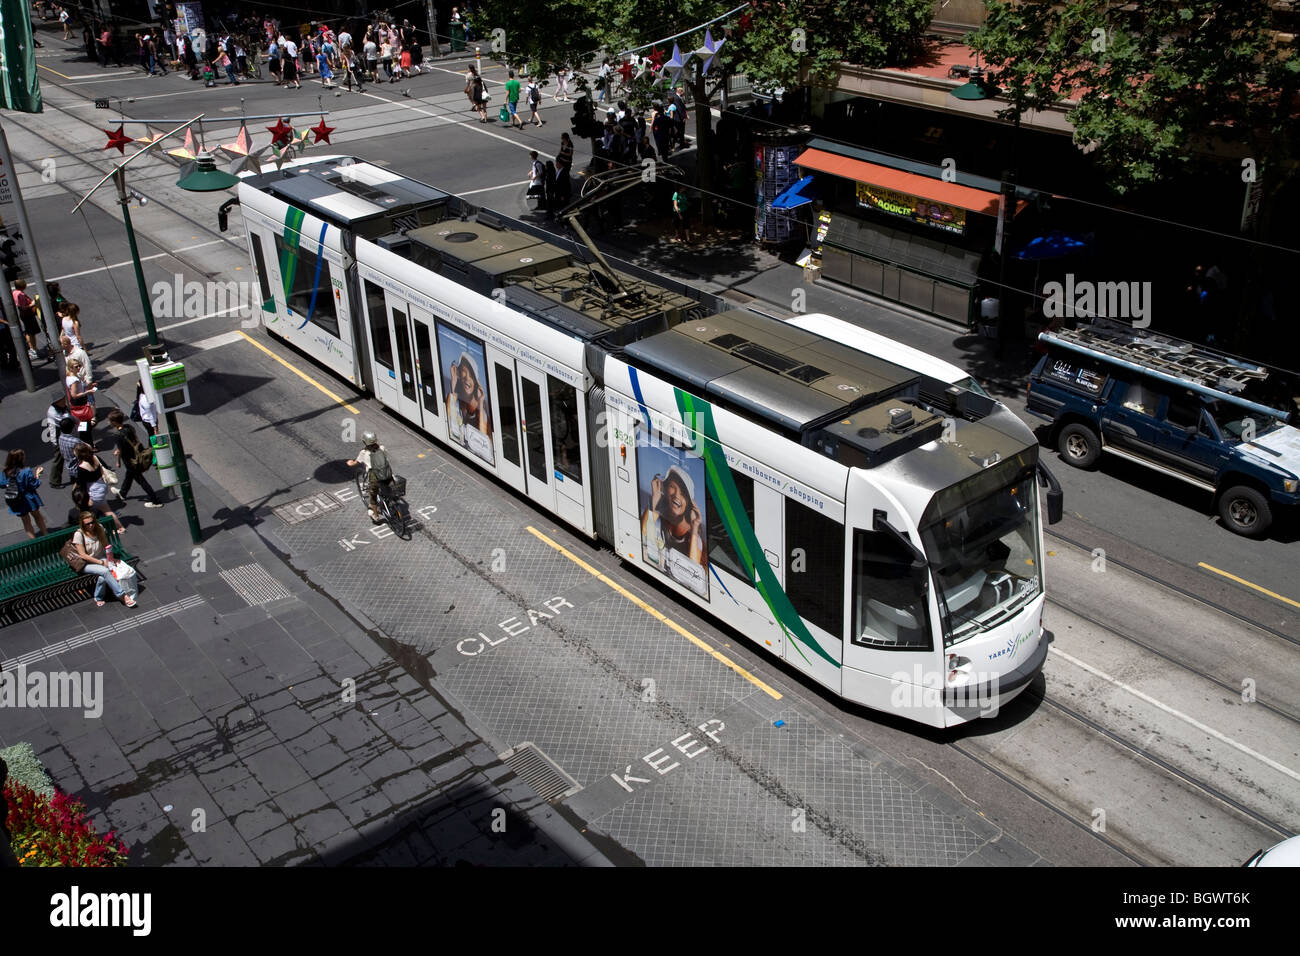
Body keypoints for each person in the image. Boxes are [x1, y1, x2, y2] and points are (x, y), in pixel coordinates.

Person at [640, 466, 706, 573]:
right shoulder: (659, 518)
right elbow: (643, 536)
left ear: (689, 503)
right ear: (665, 490)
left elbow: (694, 571)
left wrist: (694, 527)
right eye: (672, 487)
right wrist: (655, 499)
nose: (676, 495)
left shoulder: (694, 537)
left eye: (683, 493)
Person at [71, 512, 136, 608]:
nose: (91, 525)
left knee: (105, 575)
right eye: (87, 524)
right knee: (105, 571)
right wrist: (101, 562)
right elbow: (83, 555)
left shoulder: (99, 528)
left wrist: (111, 558)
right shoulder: (79, 535)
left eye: (92, 522)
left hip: (101, 557)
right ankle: (123, 596)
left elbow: (106, 545)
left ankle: (98, 597)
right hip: (86, 563)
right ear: (82, 524)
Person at [107, 409, 162, 508]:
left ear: (114, 422)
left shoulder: (118, 435)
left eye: (110, 421)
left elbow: (121, 450)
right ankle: (123, 493)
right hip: (136, 455)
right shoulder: (129, 427)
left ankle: (155, 501)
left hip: (131, 461)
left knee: (141, 481)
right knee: (129, 476)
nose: (108, 423)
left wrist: (118, 461)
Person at [73, 442, 123, 533]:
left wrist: (87, 499)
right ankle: (114, 527)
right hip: (101, 485)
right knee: (105, 510)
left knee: (106, 512)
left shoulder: (81, 467)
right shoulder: (95, 457)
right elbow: (104, 467)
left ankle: (119, 528)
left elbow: (82, 485)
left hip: (94, 491)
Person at [346, 431, 392, 523]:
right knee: (387, 488)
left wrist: (350, 462)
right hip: (387, 474)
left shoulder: (364, 453)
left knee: (373, 497)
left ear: (365, 442)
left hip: (374, 477)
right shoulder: (382, 448)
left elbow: (355, 462)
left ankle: (376, 516)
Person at [3, 449, 49, 538]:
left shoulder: (5, 471)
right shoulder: (26, 471)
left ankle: (33, 541)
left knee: (26, 521)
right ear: (21, 459)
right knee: (37, 516)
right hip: (29, 499)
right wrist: (37, 475)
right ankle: (46, 535)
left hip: (16, 500)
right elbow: (34, 484)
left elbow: (2, 483)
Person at [12, 279, 41, 360]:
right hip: (28, 315)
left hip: (24, 315)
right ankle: (33, 349)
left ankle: (32, 349)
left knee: (28, 332)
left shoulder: (14, 292)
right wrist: (32, 304)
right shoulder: (20, 294)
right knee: (32, 333)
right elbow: (23, 307)